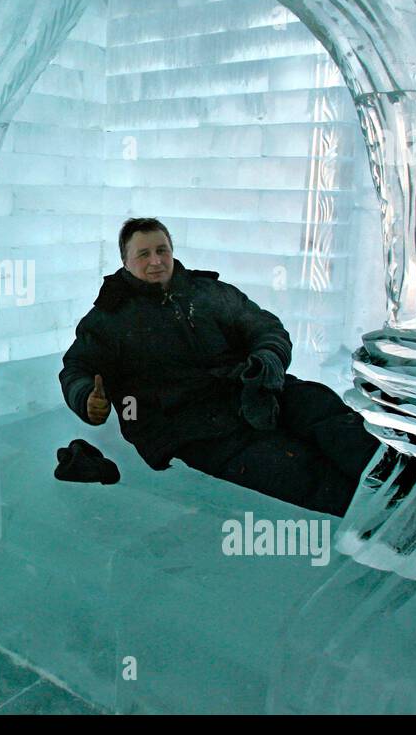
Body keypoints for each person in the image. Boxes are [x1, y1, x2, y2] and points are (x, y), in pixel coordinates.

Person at [58, 217, 380, 516]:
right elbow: (76, 367)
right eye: (143, 254)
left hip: (254, 388)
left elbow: (267, 328)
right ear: (125, 262)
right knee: (290, 467)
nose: (155, 260)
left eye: (162, 250)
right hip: (188, 423)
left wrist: (267, 361)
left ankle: (398, 484)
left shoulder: (208, 292)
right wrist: (86, 396)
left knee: (321, 408)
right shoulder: (109, 319)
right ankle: (375, 523)